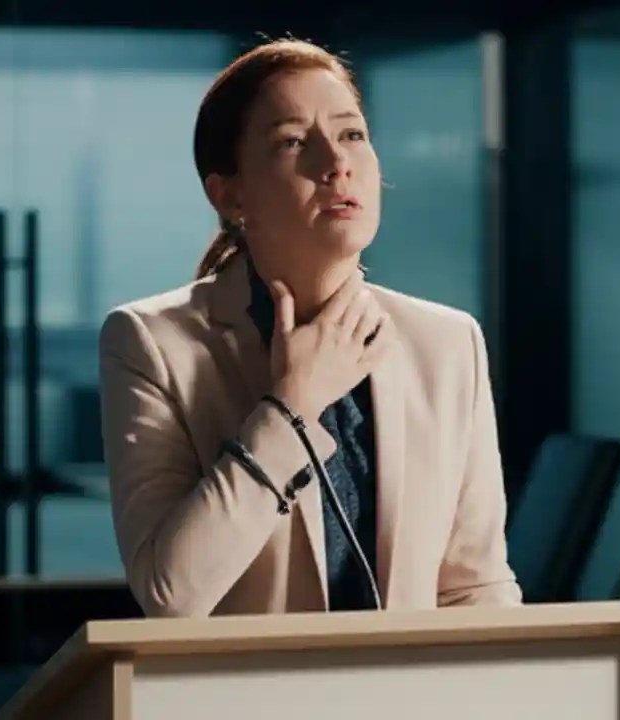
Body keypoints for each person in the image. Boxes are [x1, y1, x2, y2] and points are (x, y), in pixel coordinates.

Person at [98, 38, 522, 617]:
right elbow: (171, 595)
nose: (337, 163)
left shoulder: (447, 344)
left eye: (352, 135)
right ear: (229, 195)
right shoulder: (152, 343)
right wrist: (292, 406)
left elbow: (474, 588)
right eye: (293, 142)